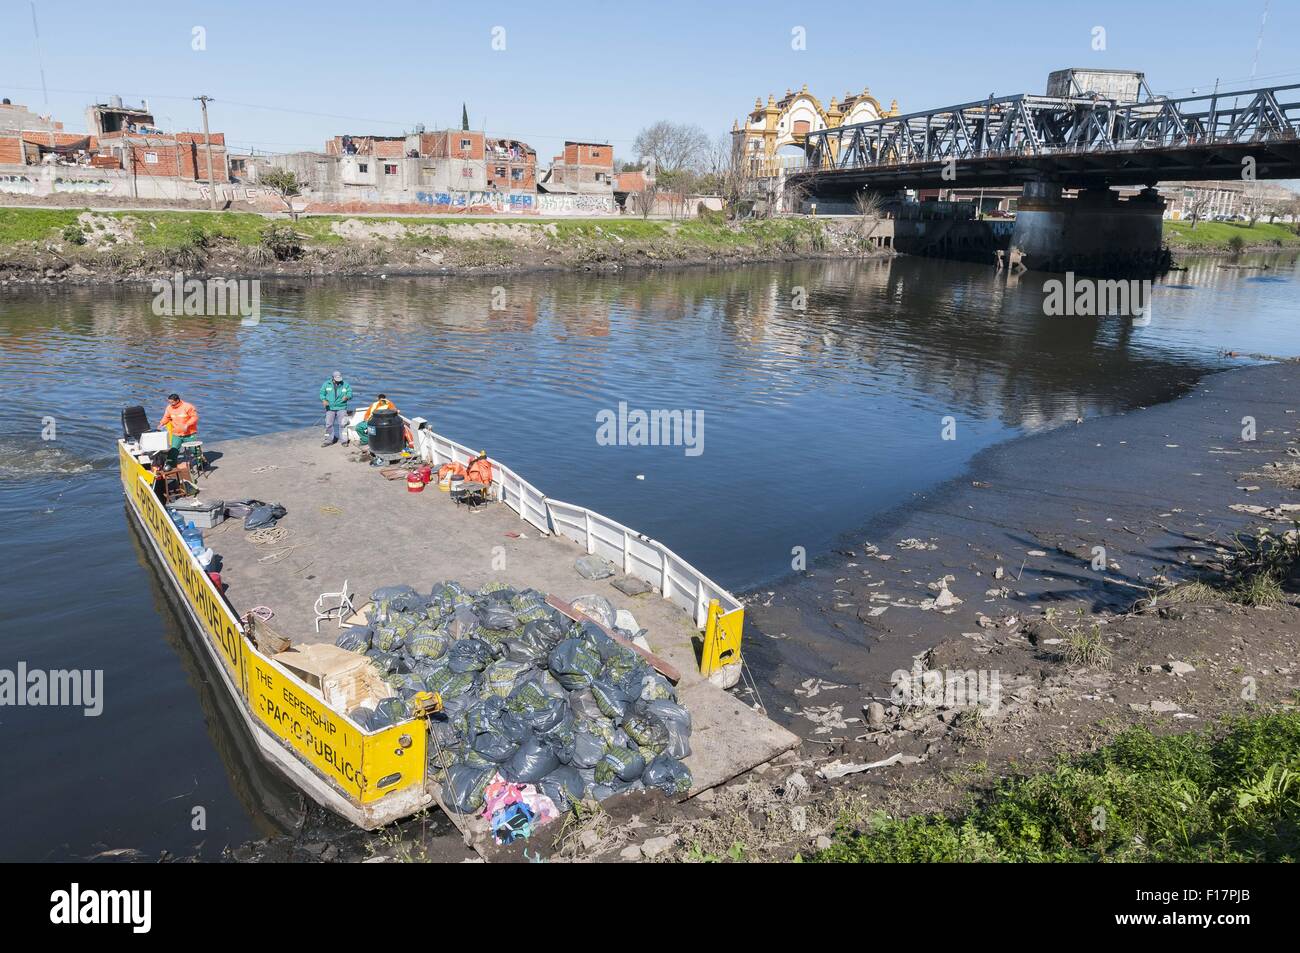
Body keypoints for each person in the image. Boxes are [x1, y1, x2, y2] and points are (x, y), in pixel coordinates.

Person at [158, 393, 198, 467]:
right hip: (176, 434)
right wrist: (161, 423)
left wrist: (187, 424)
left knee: (194, 449)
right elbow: (166, 417)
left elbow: (194, 418)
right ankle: (170, 464)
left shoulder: (188, 406)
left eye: (172, 402)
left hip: (189, 434)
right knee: (173, 450)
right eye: (169, 402)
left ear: (177, 400)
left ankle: (201, 462)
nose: (170, 404)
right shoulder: (169, 408)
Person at [319, 371, 352, 446]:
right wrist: (324, 400)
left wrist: (347, 397)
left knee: (343, 424)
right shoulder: (326, 384)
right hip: (330, 408)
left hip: (341, 407)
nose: (338, 381)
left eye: (339, 379)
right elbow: (321, 393)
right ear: (332, 378)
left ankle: (344, 441)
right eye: (337, 379)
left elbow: (350, 393)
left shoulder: (345, 384)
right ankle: (328, 440)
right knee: (328, 424)